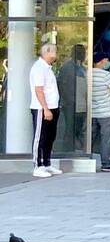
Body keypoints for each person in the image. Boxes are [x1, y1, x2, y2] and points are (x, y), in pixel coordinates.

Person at [30, 43, 61, 178]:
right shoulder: (39, 68)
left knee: (50, 136)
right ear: (46, 52)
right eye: (53, 51)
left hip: (53, 107)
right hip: (42, 108)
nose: (56, 53)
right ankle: (38, 166)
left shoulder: (48, 68)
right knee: (40, 137)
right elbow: (39, 90)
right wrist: (45, 108)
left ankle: (47, 163)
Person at [89, 56, 110, 171]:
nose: (108, 63)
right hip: (106, 113)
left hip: (92, 112)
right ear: (102, 61)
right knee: (106, 139)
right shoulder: (106, 75)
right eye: (107, 60)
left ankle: (86, 160)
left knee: (89, 139)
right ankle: (106, 163)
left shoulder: (87, 73)